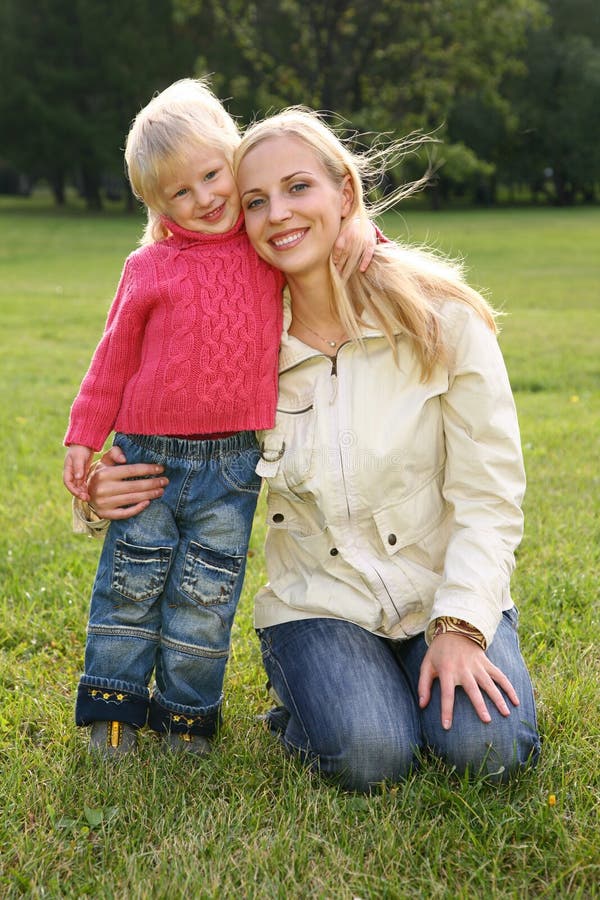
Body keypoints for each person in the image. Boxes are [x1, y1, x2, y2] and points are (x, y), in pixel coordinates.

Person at [80, 107, 540, 790]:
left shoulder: (443, 318)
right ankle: (321, 694)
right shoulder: (239, 346)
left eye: (300, 188)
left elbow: (490, 494)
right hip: (320, 604)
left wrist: (460, 623)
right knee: (369, 756)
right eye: (256, 199)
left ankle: (413, 662)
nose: (277, 215)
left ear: (345, 194)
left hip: (441, 586)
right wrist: (101, 493)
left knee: (490, 752)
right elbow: (175, 449)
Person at [63, 82, 371, 759]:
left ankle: (186, 720)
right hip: (148, 457)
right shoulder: (148, 267)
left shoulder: (267, 254)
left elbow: (330, 240)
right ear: (156, 205)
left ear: (232, 163)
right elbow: (111, 357)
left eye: (212, 175)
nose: (204, 197)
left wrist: (360, 231)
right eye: (181, 191)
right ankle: (111, 716)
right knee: (131, 586)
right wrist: (85, 437)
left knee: (206, 595)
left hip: (234, 465)